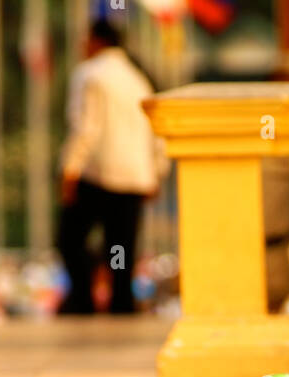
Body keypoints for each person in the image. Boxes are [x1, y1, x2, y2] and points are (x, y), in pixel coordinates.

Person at [56, 19, 167, 314]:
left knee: (69, 240)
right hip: (135, 176)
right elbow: (156, 130)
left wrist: (70, 169)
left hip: (98, 172)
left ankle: (82, 298)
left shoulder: (90, 74)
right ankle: (122, 303)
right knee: (121, 246)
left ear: (96, 41)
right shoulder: (138, 77)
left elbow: (85, 128)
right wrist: (157, 171)